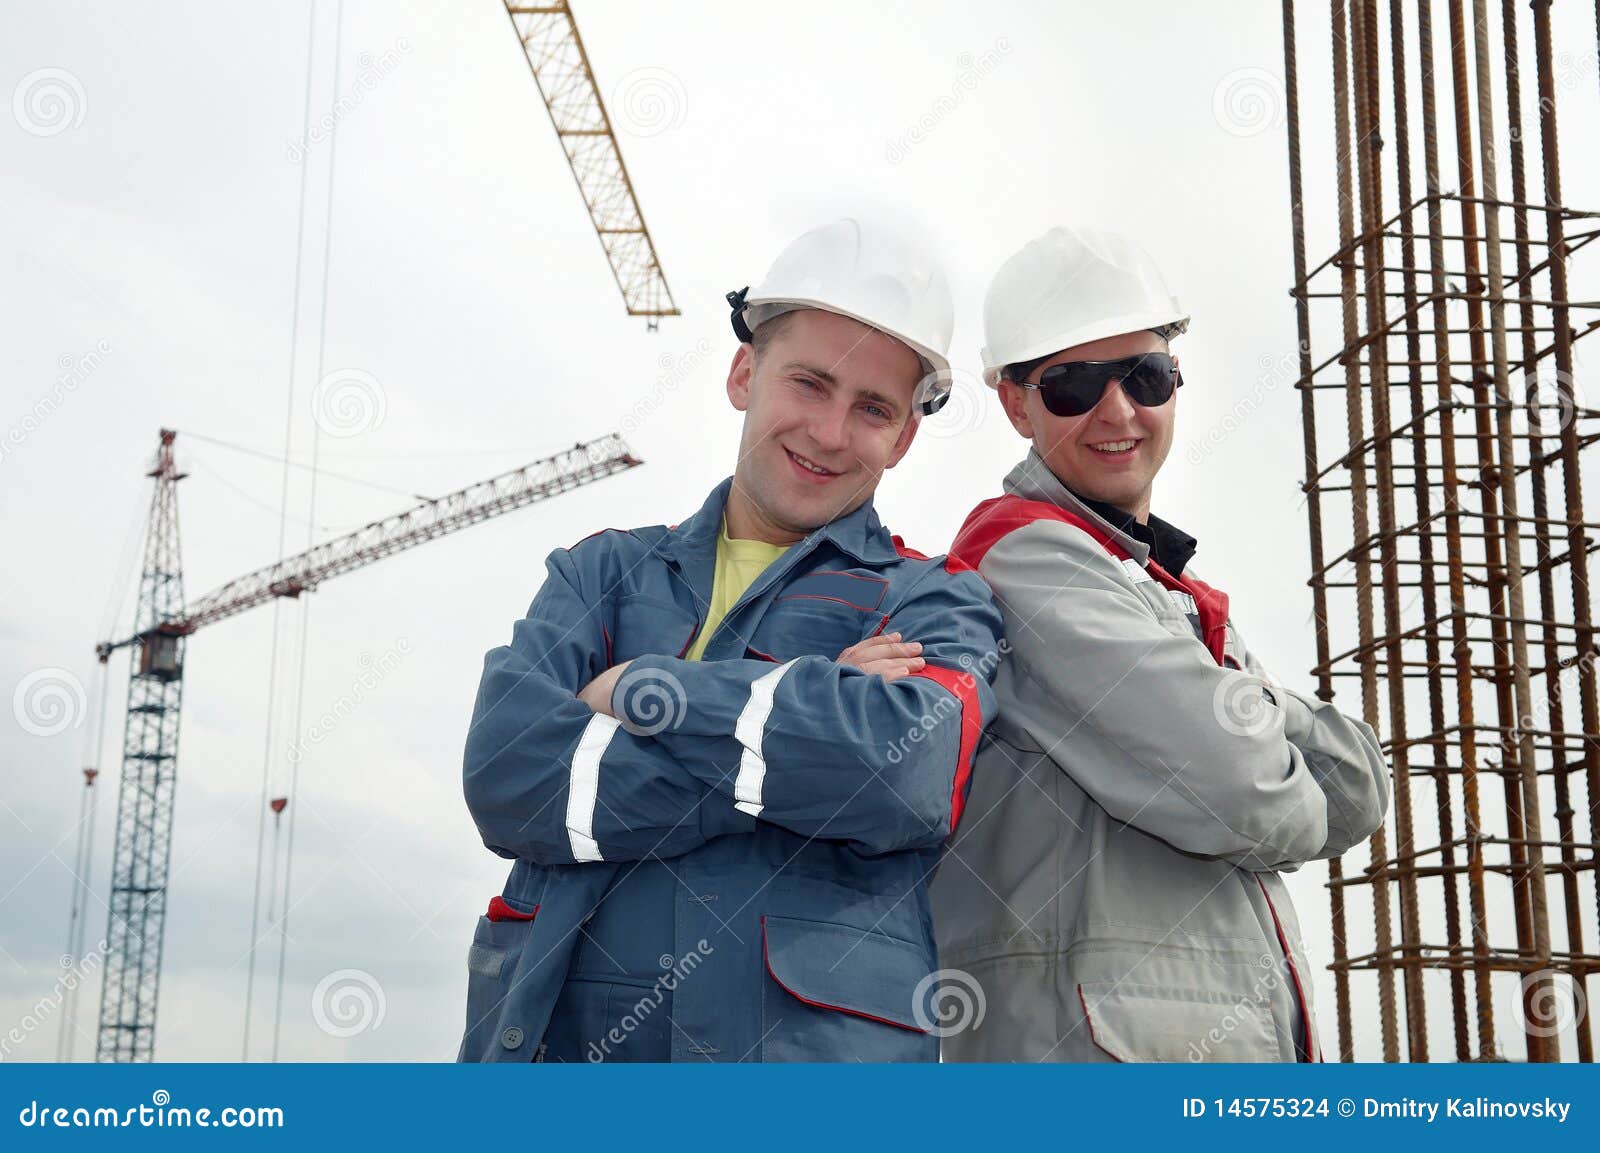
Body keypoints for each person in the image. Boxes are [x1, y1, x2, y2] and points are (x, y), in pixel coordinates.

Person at [457, 218, 1004, 1062]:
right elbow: (508, 774)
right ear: (744, 373)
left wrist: (644, 690)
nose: (828, 431)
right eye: (810, 383)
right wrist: (810, 707)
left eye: (871, 408)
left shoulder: (936, 599)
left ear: (903, 436)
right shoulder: (597, 573)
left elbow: (901, 771)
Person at [929, 225, 1389, 1062]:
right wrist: (1253, 715)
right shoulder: (1024, 557)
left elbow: (1357, 791)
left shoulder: (1158, 586)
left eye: (1143, 375)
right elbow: (1249, 791)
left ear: (1175, 378)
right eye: (1071, 385)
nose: (1118, 411)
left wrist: (1236, 703)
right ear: (1014, 402)